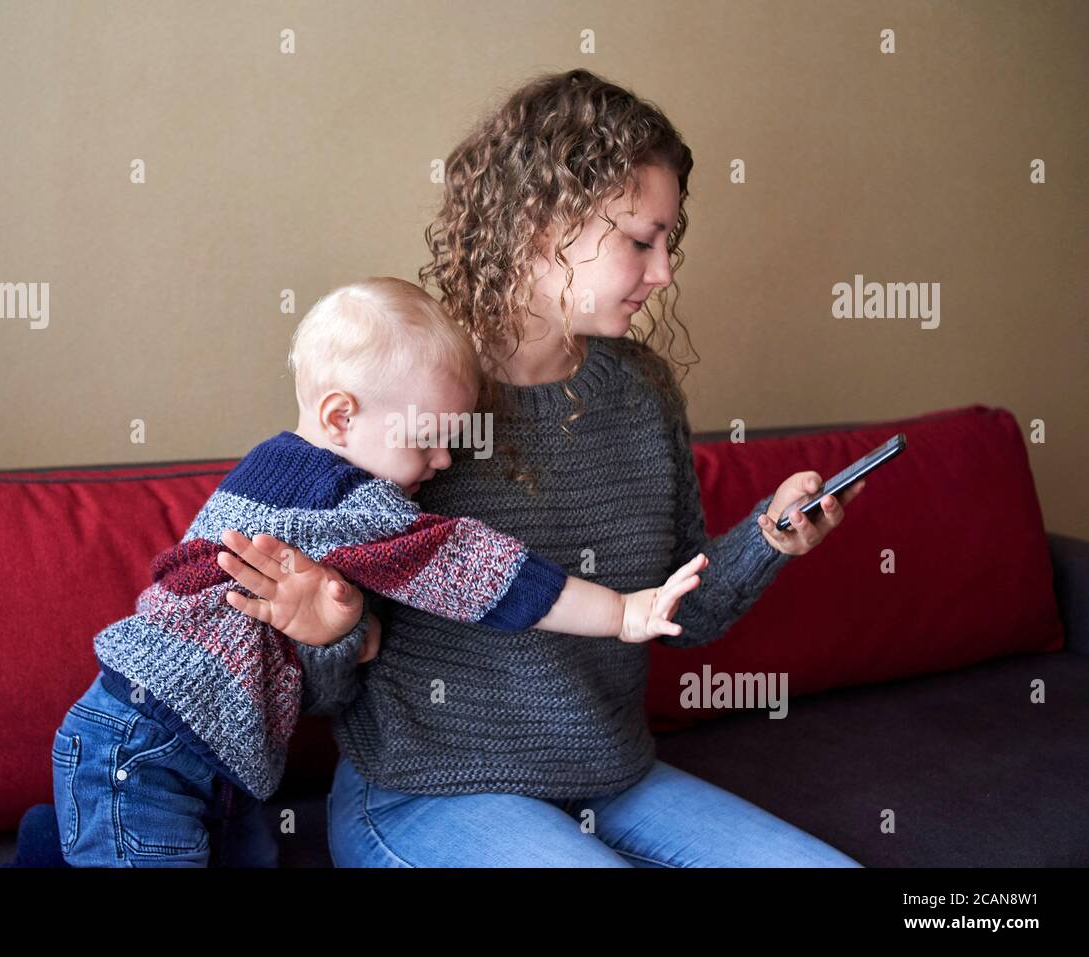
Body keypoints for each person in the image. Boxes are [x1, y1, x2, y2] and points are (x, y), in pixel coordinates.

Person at [221, 68, 868, 867]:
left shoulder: (640, 393)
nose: (664, 271)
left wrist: (768, 537)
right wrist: (333, 630)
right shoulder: (411, 403)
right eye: (639, 239)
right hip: (427, 794)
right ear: (540, 225)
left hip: (614, 777)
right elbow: (319, 686)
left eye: (669, 240)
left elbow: (676, 613)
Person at [51, 275, 707, 867]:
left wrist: (349, 633)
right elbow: (481, 571)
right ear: (341, 416)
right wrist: (621, 612)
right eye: (426, 440)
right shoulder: (347, 502)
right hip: (146, 746)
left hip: (197, 750)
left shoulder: (274, 465)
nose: (443, 461)